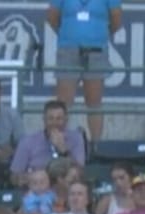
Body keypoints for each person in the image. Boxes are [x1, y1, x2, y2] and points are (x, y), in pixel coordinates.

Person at [46, 0, 121, 144]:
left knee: (94, 103)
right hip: (68, 50)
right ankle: (58, 144)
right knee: (63, 103)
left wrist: (99, 35)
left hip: (96, 51)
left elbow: (116, 19)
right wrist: (67, 35)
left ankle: (96, 147)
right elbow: (52, 16)